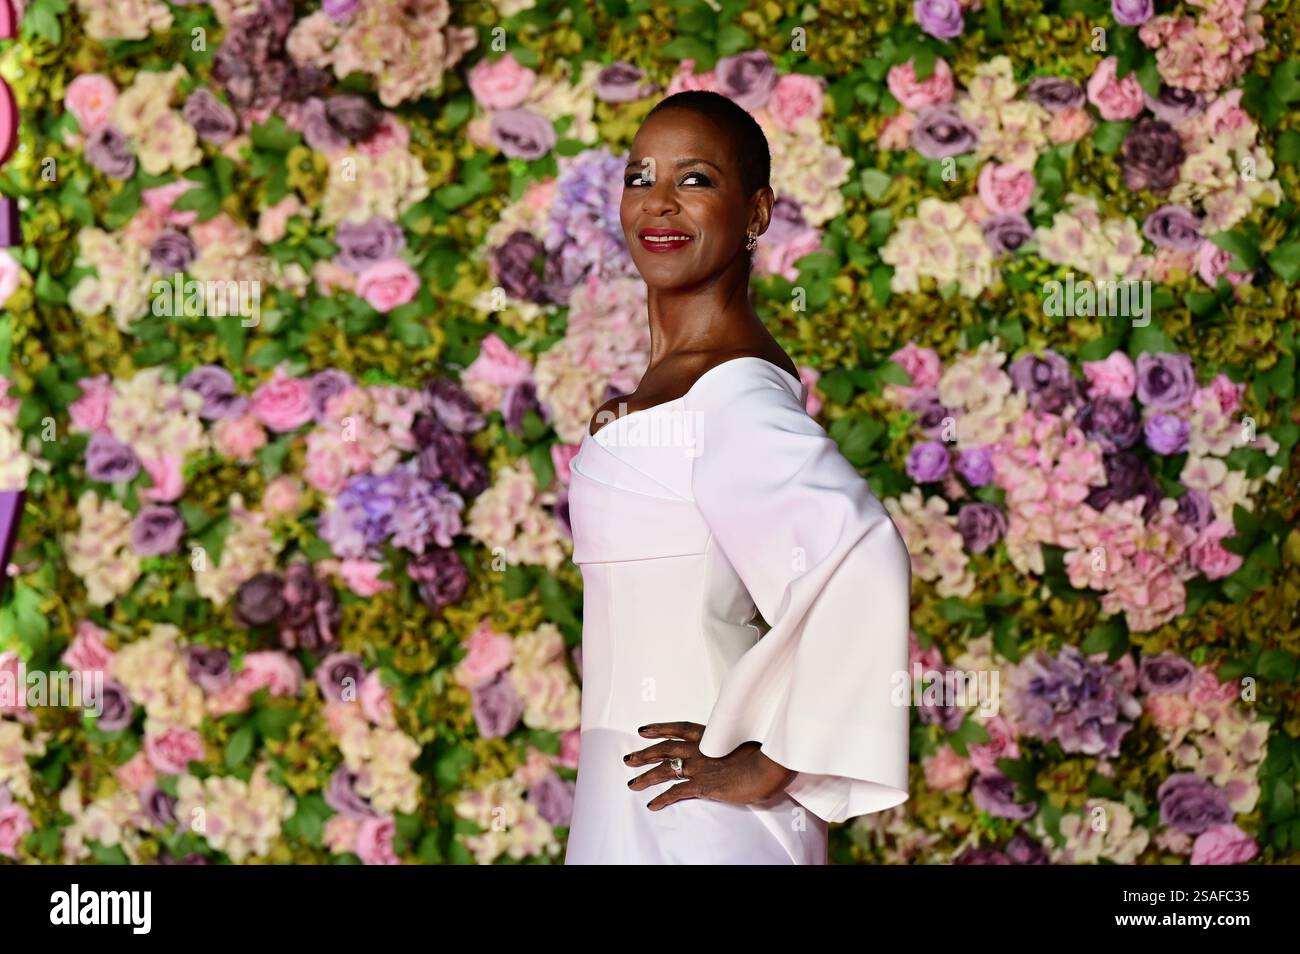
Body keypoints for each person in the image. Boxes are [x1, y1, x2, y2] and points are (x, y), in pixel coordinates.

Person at [563, 90, 912, 864]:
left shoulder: (733, 391)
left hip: (689, 812)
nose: (658, 202)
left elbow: (862, 552)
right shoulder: (685, 390)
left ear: (756, 213)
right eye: (638, 176)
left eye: (695, 180)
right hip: (629, 785)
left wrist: (767, 765)